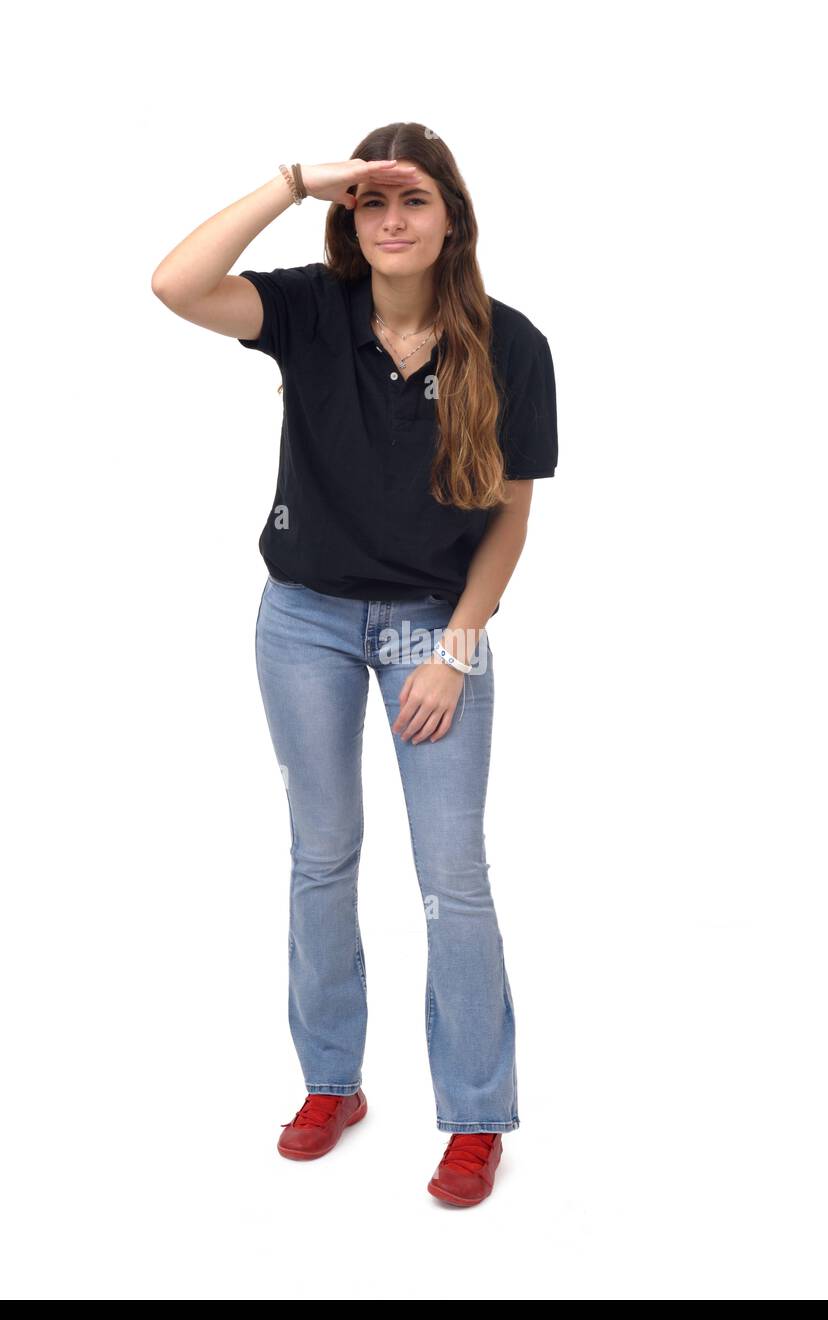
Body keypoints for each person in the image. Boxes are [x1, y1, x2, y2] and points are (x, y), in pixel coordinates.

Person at [151, 123, 558, 1207]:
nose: (389, 219)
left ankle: (476, 1115)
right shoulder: (309, 313)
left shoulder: (508, 345)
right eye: (369, 203)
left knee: (450, 878)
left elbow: (509, 526)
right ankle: (331, 1080)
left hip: (435, 624)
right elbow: (174, 283)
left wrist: (455, 652)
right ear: (347, 219)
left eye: (412, 200)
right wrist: (293, 182)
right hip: (304, 624)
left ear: (450, 219)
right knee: (320, 856)